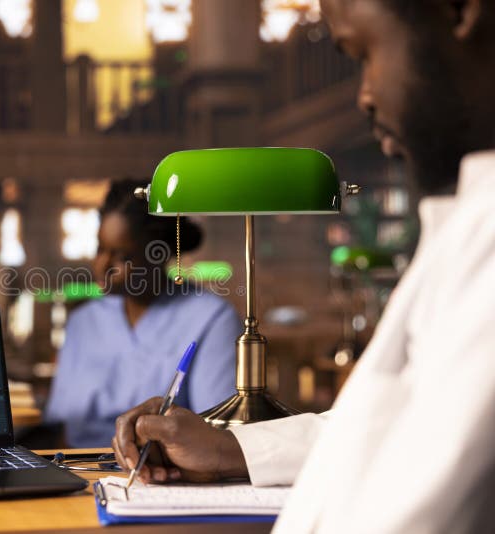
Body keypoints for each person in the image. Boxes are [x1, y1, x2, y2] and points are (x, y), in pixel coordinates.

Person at [113, 0, 495, 532]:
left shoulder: (485, 231)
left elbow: (418, 505)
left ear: (459, 13)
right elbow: (385, 426)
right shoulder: (471, 214)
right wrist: (227, 447)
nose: (363, 94)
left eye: (365, 52)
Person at [45, 179, 241, 447]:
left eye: (123, 257)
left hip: (157, 473)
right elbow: (60, 426)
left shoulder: (211, 319)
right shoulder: (83, 323)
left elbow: (217, 432)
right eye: (101, 249)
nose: (103, 265)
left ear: (159, 256)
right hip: (76, 470)